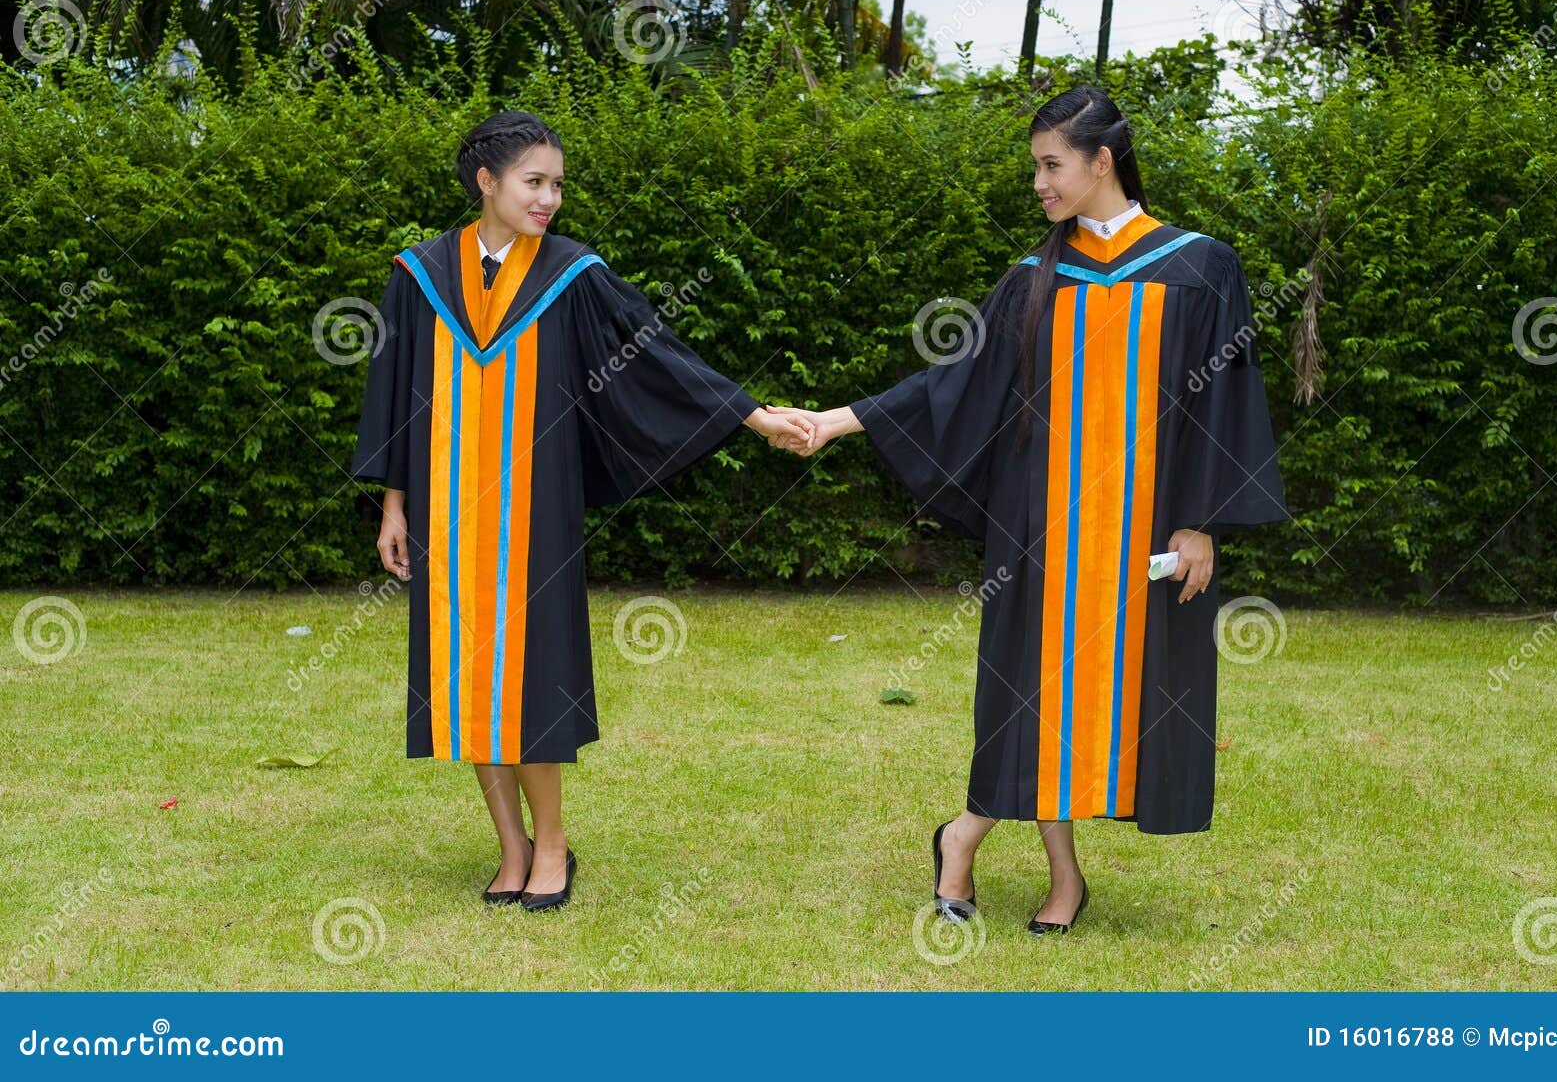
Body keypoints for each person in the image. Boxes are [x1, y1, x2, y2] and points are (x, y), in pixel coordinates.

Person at [770, 85, 1291, 935]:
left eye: (1052, 166)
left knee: (1108, 701)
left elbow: (1222, 408)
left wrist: (1202, 522)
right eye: (1036, 168)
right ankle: (1025, 862)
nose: (1040, 185)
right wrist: (835, 420)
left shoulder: (1202, 268)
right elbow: (955, 382)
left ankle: (989, 849)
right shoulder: (1034, 278)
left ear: (1101, 162)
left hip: (1142, 536)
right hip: (1039, 531)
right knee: (1030, 695)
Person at [350, 110, 813, 912]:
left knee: (533, 674)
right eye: (535, 181)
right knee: (464, 677)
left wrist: (751, 412)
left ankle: (554, 844)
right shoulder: (418, 273)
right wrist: (394, 506)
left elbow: (656, 354)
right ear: (485, 182)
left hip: (537, 512)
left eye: (558, 184)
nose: (550, 199)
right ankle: (510, 846)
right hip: (445, 511)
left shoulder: (571, 274)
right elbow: (395, 397)